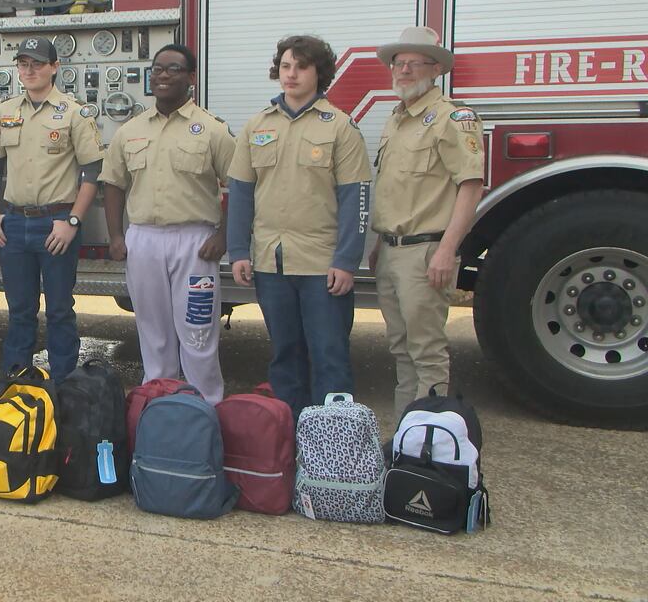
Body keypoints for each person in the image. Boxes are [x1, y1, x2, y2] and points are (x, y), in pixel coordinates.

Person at [227, 35, 372, 418]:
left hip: (322, 266)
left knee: (329, 357)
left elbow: (356, 199)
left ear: (318, 73)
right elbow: (241, 194)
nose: (291, 75)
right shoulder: (257, 125)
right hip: (270, 264)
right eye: (286, 66)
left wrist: (346, 260)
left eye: (301, 67)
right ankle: (288, 442)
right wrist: (239, 251)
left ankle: (328, 451)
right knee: (284, 355)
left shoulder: (340, 127)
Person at [101, 44, 236, 404]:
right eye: (157, 68)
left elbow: (239, 185)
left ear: (191, 78)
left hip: (195, 243)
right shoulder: (130, 131)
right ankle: (159, 410)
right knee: (153, 334)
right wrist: (116, 235)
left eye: (172, 69)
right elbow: (112, 183)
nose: (162, 75)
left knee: (197, 334)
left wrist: (225, 234)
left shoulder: (211, 130)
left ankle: (206, 411)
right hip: (143, 240)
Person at [369, 26, 485, 415]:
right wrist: (377, 245)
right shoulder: (396, 119)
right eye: (397, 64)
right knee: (402, 351)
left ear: (435, 69)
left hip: (425, 253)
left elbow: (470, 187)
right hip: (390, 251)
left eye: (412, 64)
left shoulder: (452, 118)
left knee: (427, 353)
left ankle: (428, 445)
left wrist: (447, 251)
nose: (401, 71)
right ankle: (407, 436)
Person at [0, 36, 104, 383]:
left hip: (56, 224)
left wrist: (73, 220)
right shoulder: (5, 112)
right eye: (23, 64)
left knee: (59, 311)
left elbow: (93, 170)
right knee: (19, 311)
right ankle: (16, 385)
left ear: (55, 67)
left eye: (37, 63)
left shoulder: (75, 113)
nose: (30, 69)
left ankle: (65, 387)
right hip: (14, 224)